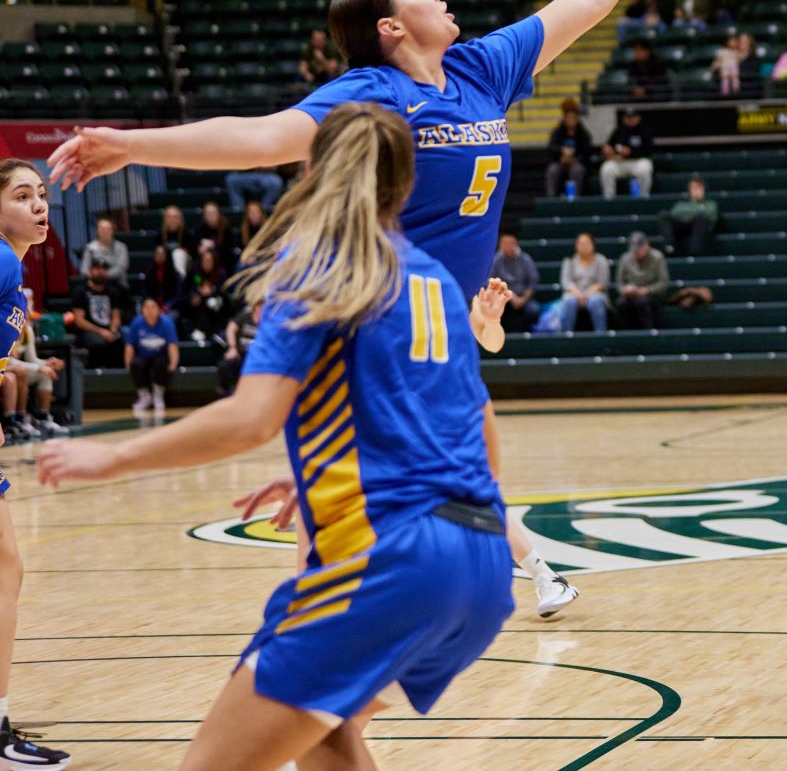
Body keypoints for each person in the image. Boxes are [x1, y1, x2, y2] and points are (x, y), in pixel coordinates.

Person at [47, 0, 718, 627]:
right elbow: (263, 138)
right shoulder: (372, 93)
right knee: (385, 529)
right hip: (376, 326)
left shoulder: (479, 69)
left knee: (447, 500)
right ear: (390, 27)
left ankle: (380, 609)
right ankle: (337, 625)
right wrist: (133, 146)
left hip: (439, 331)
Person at [38, 105, 514, 771]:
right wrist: (353, 468)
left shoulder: (319, 266)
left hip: (396, 558)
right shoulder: (434, 277)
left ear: (311, 171)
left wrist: (112, 456)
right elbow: (478, 429)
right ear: (406, 187)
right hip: (484, 563)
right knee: (324, 734)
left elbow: (251, 418)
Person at [0, 160, 71, 765]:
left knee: (7, 567)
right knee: (5, 570)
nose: (38, 204)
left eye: (41, 194)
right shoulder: (1, 260)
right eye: (22, 196)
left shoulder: (12, 266)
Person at [3, 303, 67, 443]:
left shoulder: (28, 331)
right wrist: (38, 368)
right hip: (6, 368)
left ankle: (43, 418)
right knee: (20, 374)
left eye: (26, 318)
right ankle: (17, 419)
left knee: (45, 374)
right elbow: (6, 361)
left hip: (19, 368)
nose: (25, 322)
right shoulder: (6, 331)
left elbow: (32, 359)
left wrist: (47, 363)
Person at [123, 294, 180, 414]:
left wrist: (173, 363)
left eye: (153, 307)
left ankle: (158, 395)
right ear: (142, 310)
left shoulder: (167, 323)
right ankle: (144, 396)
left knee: (162, 364)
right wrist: (128, 364)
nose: (150, 310)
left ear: (158, 309)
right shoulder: (136, 323)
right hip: (143, 355)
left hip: (161, 354)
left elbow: (172, 345)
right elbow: (129, 346)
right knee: (135, 364)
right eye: (147, 307)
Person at [68, 257, 127, 367]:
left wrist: (113, 330)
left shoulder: (113, 291)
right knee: (97, 342)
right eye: (97, 269)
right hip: (87, 331)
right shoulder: (80, 291)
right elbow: (79, 321)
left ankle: (117, 373)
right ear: (90, 271)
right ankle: (95, 372)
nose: (101, 272)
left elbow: (116, 316)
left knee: (122, 340)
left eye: (103, 269)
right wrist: (101, 331)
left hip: (108, 330)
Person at [615, 231, 669, 331]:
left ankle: (648, 332)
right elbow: (620, 283)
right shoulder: (625, 258)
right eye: (634, 251)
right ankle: (624, 333)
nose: (636, 253)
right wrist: (625, 290)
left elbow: (663, 283)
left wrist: (647, 290)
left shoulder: (658, 257)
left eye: (639, 250)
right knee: (621, 303)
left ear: (646, 245)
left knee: (642, 302)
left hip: (651, 294)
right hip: (631, 294)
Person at [558, 233, 610, 333]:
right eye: (580, 243)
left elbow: (602, 283)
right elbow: (566, 282)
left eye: (586, 243)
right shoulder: (569, 260)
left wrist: (587, 294)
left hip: (595, 293)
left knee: (596, 301)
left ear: (593, 245)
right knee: (569, 301)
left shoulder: (601, 260)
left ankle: (601, 335)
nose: (583, 246)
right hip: (574, 293)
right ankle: (566, 336)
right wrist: (578, 294)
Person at [490, 234, 541, 332]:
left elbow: (533, 281)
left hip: (523, 297)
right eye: (504, 243)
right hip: (501, 298)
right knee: (493, 310)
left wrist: (523, 299)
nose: (507, 246)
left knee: (533, 309)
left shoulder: (525, 259)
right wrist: (510, 297)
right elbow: (490, 280)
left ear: (515, 244)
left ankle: (527, 334)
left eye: (510, 243)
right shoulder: (496, 260)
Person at [600, 107, 655, 198]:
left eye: (633, 117)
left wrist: (631, 152)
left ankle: (643, 197)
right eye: (628, 117)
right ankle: (609, 198)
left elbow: (648, 151)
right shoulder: (619, 130)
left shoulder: (645, 130)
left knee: (644, 169)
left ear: (638, 118)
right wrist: (608, 151)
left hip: (638, 161)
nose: (630, 120)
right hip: (620, 162)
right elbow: (609, 146)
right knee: (607, 168)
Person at [545, 98, 593, 198]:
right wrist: (561, 152)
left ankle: (575, 197)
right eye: (568, 118)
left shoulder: (583, 133)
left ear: (577, 119)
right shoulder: (558, 132)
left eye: (573, 118)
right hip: (560, 162)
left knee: (577, 170)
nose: (570, 121)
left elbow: (586, 151)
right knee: (552, 170)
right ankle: (551, 197)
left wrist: (574, 159)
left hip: (576, 162)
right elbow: (551, 147)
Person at [661, 177, 719, 256]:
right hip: (681, 227)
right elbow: (675, 213)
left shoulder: (710, 204)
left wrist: (688, 213)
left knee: (701, 219)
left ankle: (695, 251)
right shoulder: (681, 204)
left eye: (698, 187)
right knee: (664, 215)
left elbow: (711, 216)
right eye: (693, 187)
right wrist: (698, 210)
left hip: (700, 229)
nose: (696, 190)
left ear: (704, 189)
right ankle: (669, 246)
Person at [215, 300, 262, 397]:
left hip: (258, 356)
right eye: (259, 305)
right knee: (226, 364)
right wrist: (232, 348)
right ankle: (227, 392)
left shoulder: (270, 320)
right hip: (241, 353)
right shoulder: (245, 315)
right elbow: (231, 328)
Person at [79, 216, 129, 287]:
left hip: (116, 284)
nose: (105, 232)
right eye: (102, 229)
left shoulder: (121, 247)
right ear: (97, 231)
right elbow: (83, 269)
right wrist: (95, 276)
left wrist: (102, 275)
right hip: (94, 284)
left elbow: (121, 268)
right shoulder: (90, 247)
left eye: (108, 229)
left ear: (113, 230)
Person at [198, 199, 239, 269]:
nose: (211, 216)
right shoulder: (200, 230)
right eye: (208, 213)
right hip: (204, 264)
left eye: (213, 213)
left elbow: (229, 250)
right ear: (204, 215)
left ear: (218, 214)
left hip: (224, 263)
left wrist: (213, 245)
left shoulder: (226, 228)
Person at [159, 203, 195, 276]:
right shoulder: (160, 235)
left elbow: (194, 255)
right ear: (165, 219)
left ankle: (180, 279)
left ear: (180, 219)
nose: (172, 220)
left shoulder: (187, 234)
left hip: (187, 266)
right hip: (166, 265)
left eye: (175, 217)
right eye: (169, 217)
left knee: (178, 254)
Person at [711, 31, 746, 97]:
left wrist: (742, 51)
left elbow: (742, 57)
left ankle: (736, 90)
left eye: (735, 41)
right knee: (725, 80)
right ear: (727, 42)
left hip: (734, 69)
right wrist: (713, 67)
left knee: (735, 79)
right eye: (732, 41)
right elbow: (718, 61)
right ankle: (725, 92)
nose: (733, 43)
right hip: (725, 68)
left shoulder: (736, 52)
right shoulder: (722, 51)